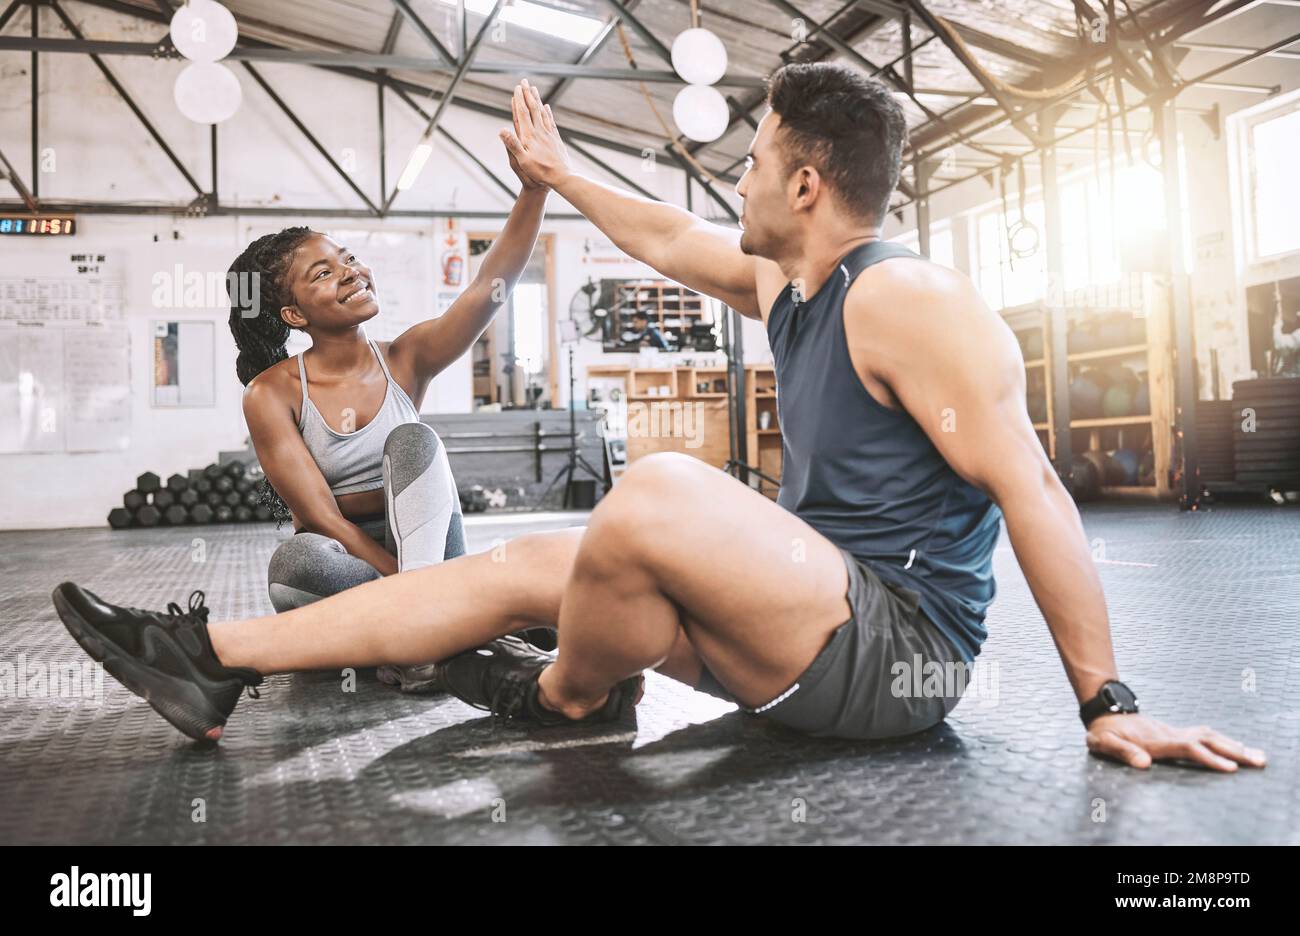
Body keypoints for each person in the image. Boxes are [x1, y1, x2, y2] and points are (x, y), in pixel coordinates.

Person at [51, 67, 1264, 773]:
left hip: (904, 659)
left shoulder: (911, 301)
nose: (730, 186)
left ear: (803, 184)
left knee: (659, 494)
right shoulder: (791, 282)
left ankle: (572, 694)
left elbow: (1035, 492)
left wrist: (1108, 705)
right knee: (536, 558)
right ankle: (209, 661)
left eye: (751, 164)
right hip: (807, 634)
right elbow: (670, 238)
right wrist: (559, 171)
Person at [228, 153, 547, 616]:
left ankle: (413, 630)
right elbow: (321, 518)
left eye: (348, 259)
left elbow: (485, 288)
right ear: (295, 315)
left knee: (413, 440)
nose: (350, 272)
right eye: (323, 274)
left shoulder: (406, 357)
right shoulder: (270, 393)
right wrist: (406, 585)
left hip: (429, 546)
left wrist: (534, 192)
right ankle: (439, 620)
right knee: (294, 565)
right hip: (353, 558)